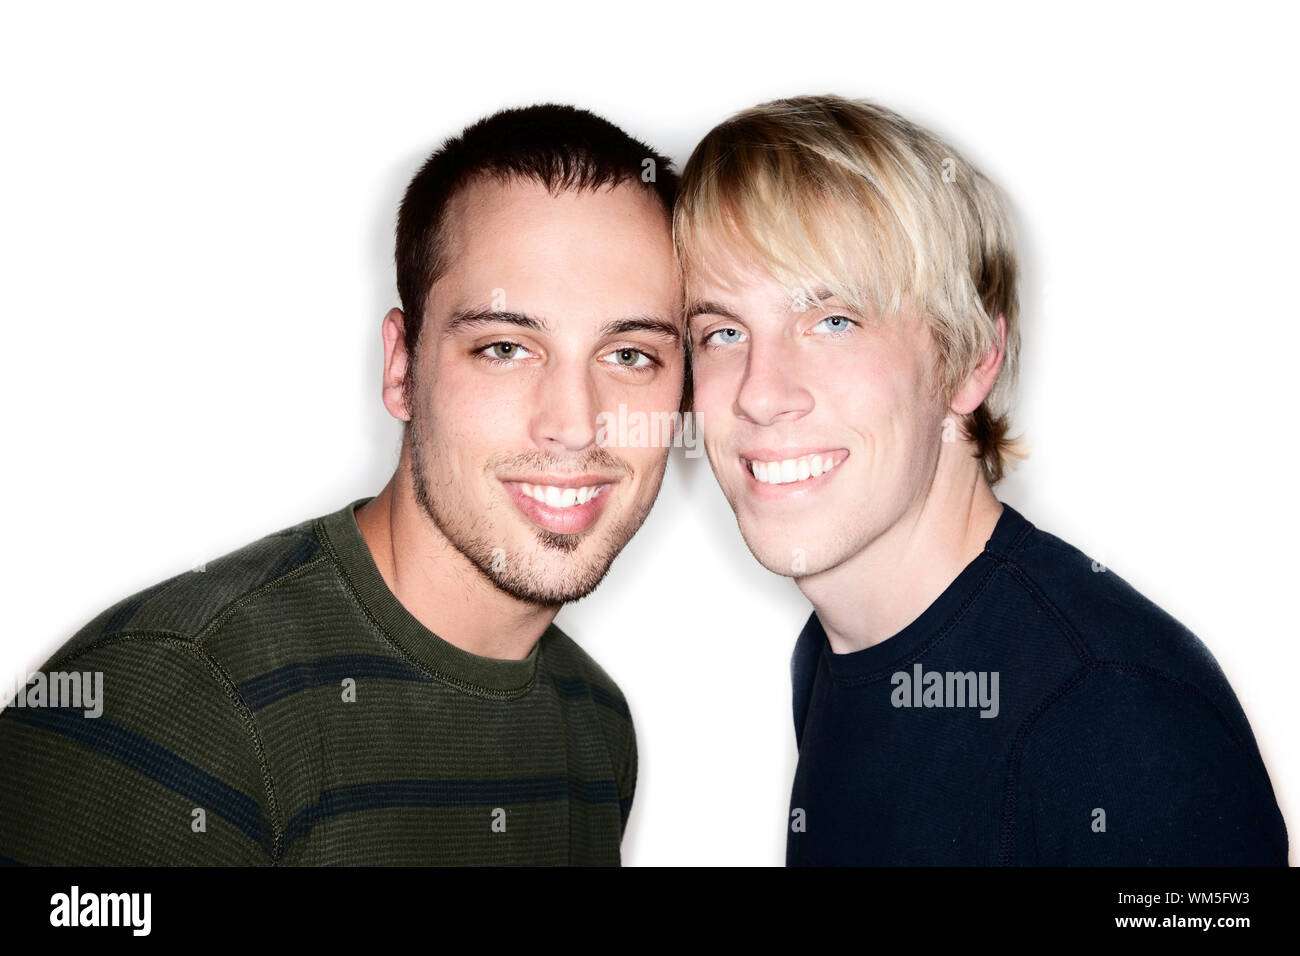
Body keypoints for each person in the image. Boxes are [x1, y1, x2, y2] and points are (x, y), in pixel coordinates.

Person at [0, 104, 685, 865]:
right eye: (504, 348)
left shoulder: (593, 724)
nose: (575, 423)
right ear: (401, 368)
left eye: (629, 356)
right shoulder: (171, 700)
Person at [673, 94, 1288, 865]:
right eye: (724, 331)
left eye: (834, 321)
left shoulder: (1116, 716)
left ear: (969, 360)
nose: (760, 393)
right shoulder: (835, 658)